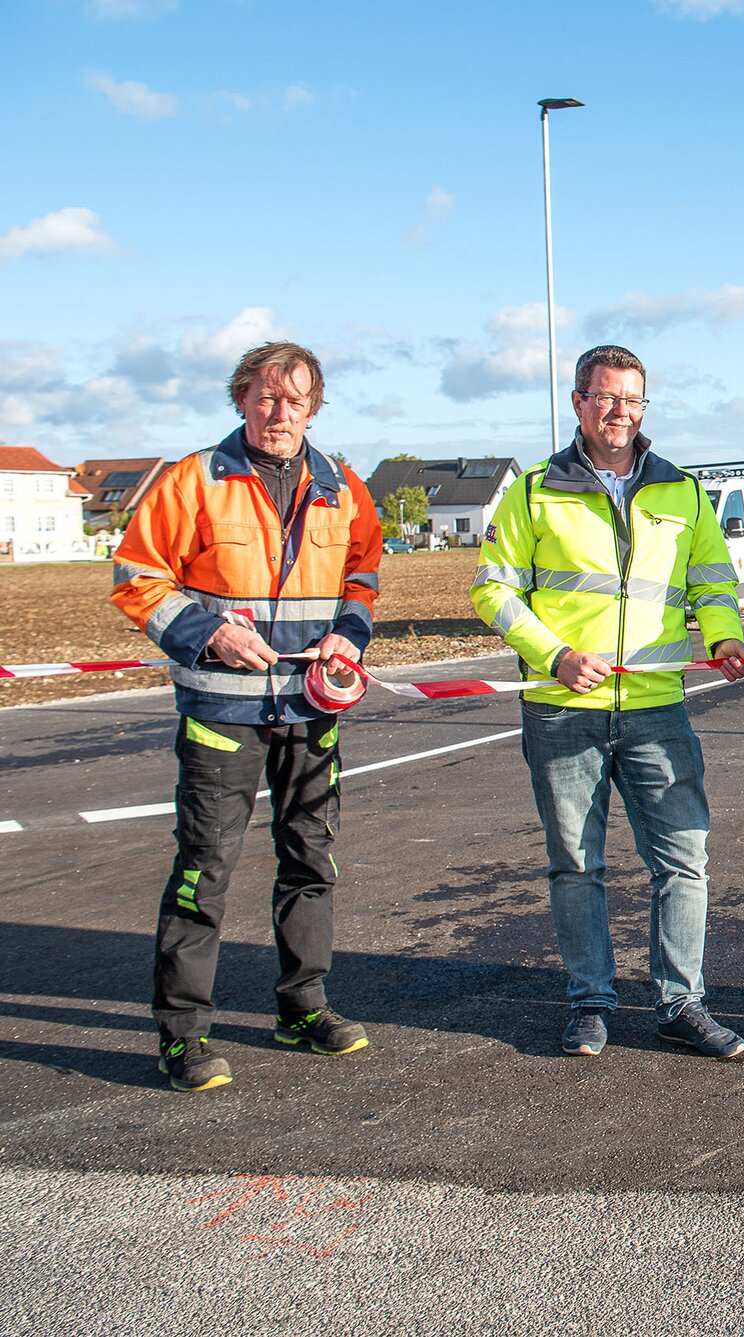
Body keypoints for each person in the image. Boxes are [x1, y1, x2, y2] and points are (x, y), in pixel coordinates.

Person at [472, 344, 744, 1060]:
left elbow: (713, 585)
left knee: (685, 856)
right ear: (578, 402)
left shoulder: (681, 491)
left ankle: (680, 1001)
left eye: (633, 400)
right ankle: (591, 1000)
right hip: (562, 706)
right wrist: (554, 654)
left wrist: (724, 641)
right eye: (606, 398)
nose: (620, 412)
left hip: (659, 706)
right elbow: (493, 589)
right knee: (577, 862)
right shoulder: (535, 489)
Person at [111, 341, 384, 1092]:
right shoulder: (191, 479)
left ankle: (303, 1005)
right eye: (266, 396)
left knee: (311, 860)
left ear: (313, 407)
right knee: (205, 868)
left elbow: (362, 577)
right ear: (240, 398)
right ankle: (183, 1034)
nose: (279, 412)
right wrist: (209, 632)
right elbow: (136, 576)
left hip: (312, 706)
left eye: (295, 400)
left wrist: (348, 634)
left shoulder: (342, 485)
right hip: (220, 712)